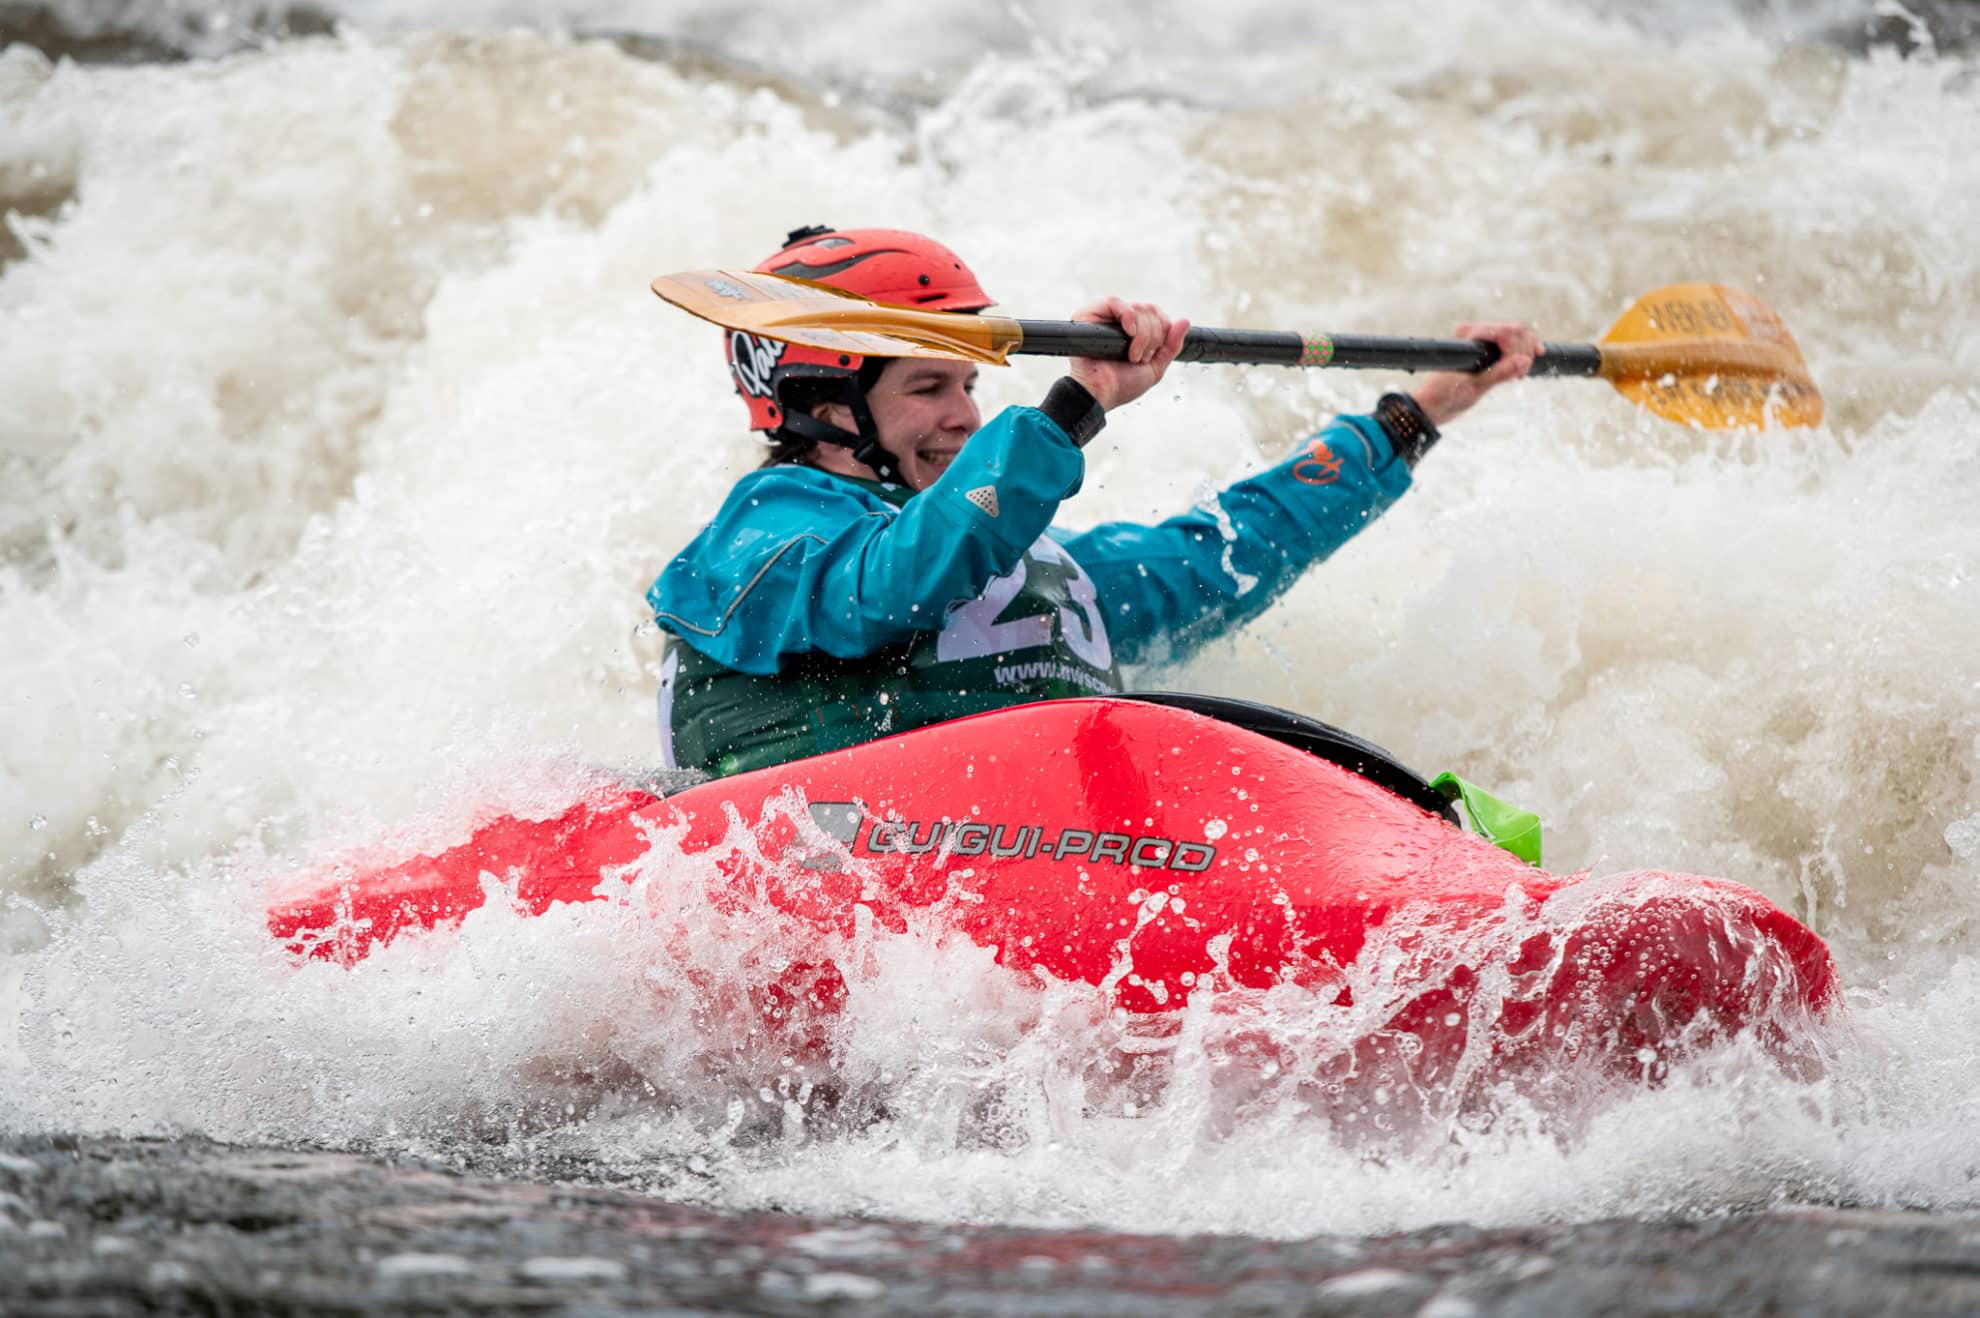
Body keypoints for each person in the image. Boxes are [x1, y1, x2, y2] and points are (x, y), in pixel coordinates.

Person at [649, 226, 1539, 778]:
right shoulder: (766, 535)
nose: (964, 416)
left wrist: (1415, 414)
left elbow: (1221, 556)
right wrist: (1072, 409)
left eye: (969, 384)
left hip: (1031, 868)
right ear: (829, 405)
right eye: (928, 388)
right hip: (833, 865)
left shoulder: (1038, 568)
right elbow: (895, 584)